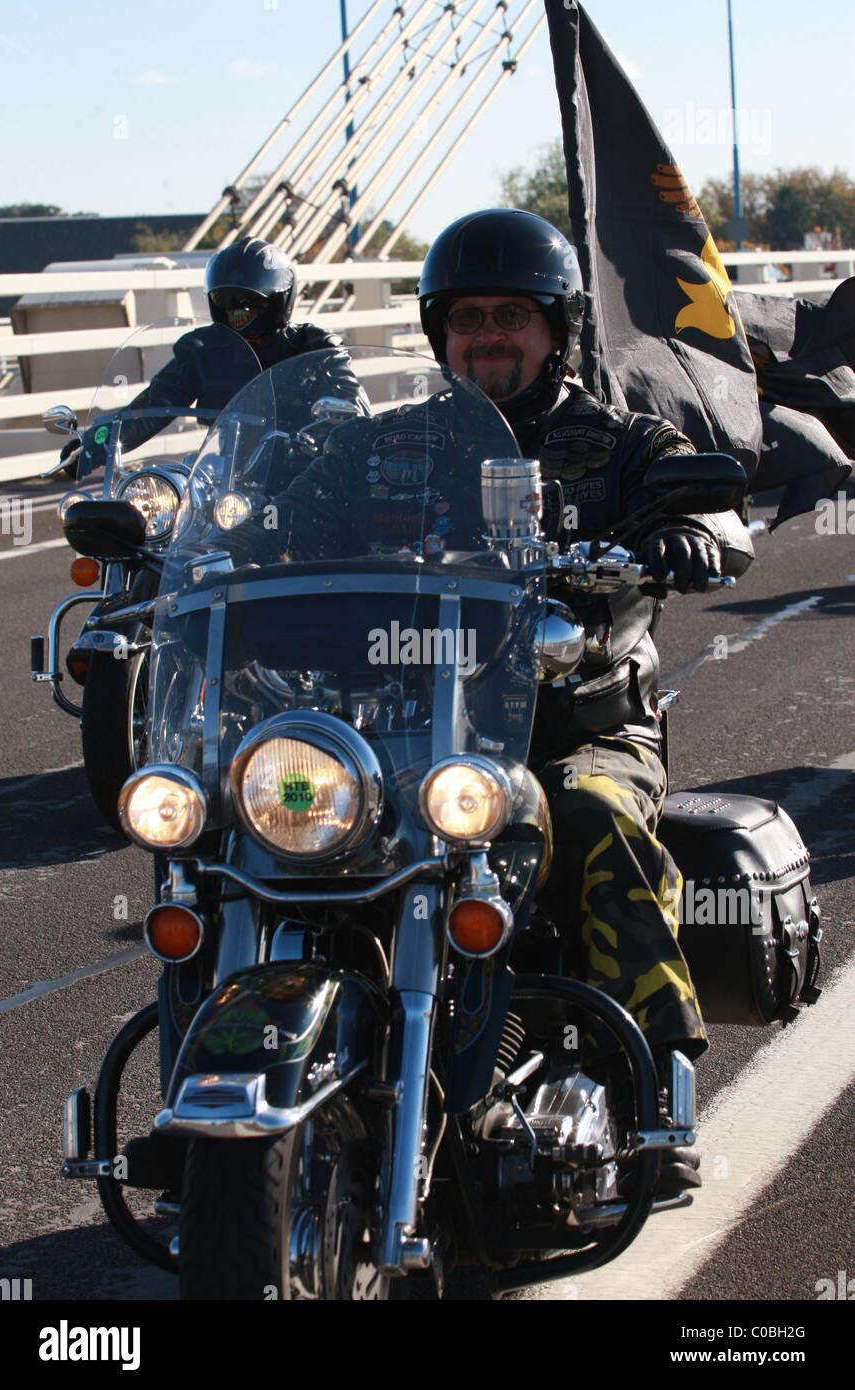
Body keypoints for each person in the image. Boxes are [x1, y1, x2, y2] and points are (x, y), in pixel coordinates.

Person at [273, 208, 754, 1196]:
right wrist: (192, 545)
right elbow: (276, 522)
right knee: (270, 827)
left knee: (592, 818)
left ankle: (654, 1090)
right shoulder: (385, 447)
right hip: (402, 733)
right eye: (467, 318)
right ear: (437, 333)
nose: (488, 334)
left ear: (553, 327)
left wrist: (690, 534)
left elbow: (707, 505)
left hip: (572, 724)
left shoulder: (617, 439)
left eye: (510, 315)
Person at [61, 235, 365, 476]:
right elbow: (153, 405)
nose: (236, 311)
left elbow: (356, 409)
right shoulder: (204, 350)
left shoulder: (316, 348)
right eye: (225, 301)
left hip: (306, 474)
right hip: (230, 477)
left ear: (276, 300)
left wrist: (323, 433)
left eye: (246, 302)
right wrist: (90, 445)